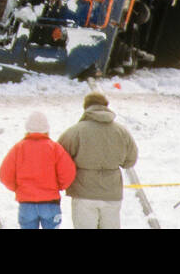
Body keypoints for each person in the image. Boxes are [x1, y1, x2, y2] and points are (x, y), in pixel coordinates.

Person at [58, 91, 138, 230]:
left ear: (86, 108)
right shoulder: (121, 131)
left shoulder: (75, 131)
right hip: (111, 192)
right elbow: (130, 161)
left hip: (84, 192)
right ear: (106, 106)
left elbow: (59, 158)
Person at [0, 111, 76, 230]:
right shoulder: (55, 148)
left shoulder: (18, 148)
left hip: (26, 204)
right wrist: (58, 186)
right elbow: (68, 172)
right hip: (50, 203)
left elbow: (5, 175)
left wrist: (19, 188)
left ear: (27, 129)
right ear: (46, 129)